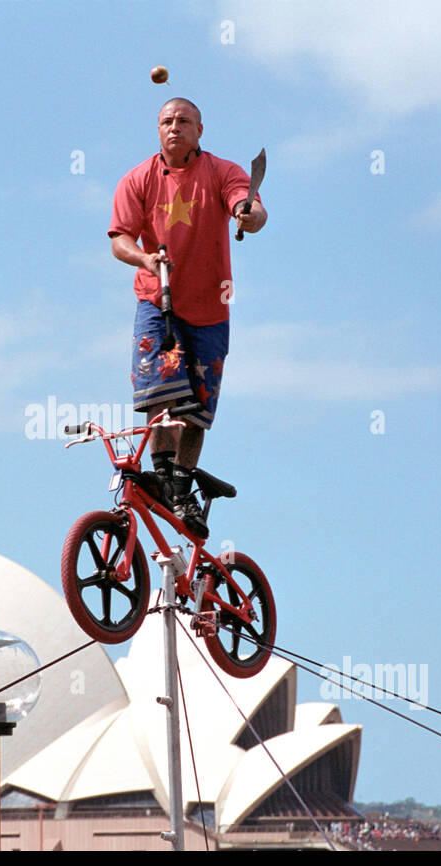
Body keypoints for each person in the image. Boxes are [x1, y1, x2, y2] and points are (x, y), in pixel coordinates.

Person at [108, 97, 266, 537]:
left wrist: (247, 214)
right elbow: (119, 239)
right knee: (159, 386)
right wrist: (144, 258)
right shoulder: (136, 179)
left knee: (196, 407)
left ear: (200, 129)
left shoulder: (222, 171)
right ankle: (161, 472)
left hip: (210, 308)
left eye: (183, 121)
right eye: (166, 121)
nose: (174, 127)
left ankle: (180, 484)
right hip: (157, 301)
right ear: (157, 129)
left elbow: (250, 207)